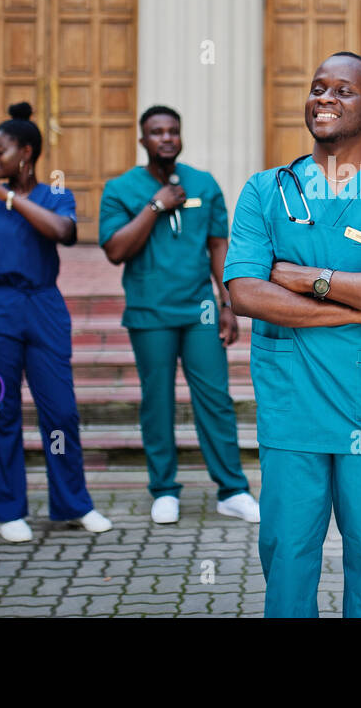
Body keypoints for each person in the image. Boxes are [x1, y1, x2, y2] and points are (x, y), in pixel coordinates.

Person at [224, 52, 361, 618]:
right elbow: (245, 292)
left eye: (343, 91)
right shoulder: (266, 190)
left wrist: (308, 279)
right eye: (318, 87)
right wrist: (352, 306)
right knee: (288, 555)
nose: (324, 98)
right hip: (291, 407)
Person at [0, 102, 112, 543]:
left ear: (25, 152)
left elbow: (63, 232)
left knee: (60, 411)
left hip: (43, 305)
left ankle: (72, 504)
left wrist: (7, 196)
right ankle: (5, 510)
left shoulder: (54, 195)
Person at [99, 105, 259, 525]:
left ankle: (233, 490)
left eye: (173, 131)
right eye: (156, 132)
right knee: (158, 402)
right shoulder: (120, 188)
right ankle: (165, 490)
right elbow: (115, 250)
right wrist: (155, 206)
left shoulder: (203, 184)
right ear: (143, 140)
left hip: (200, 311)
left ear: (181, 136)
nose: (166, 138)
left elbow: (218, 248)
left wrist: (229, 303)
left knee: (216, 398)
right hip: (150, 312)